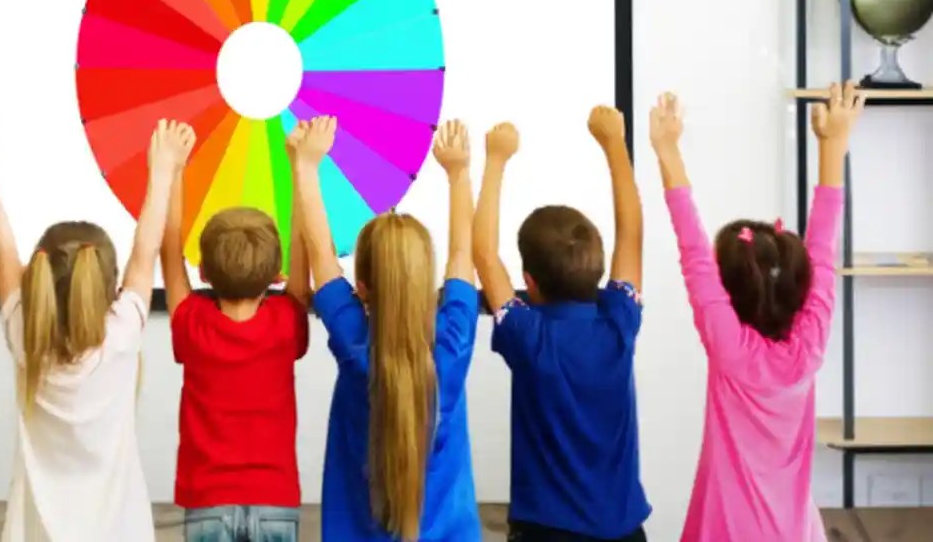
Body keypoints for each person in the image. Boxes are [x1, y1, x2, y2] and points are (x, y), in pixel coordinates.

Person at [0, 105, 195, 542]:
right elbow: (146, 251)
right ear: (107, 283)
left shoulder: (27, 335)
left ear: (39, 273)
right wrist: (162, 172)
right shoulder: (120, 335)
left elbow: (0, 248)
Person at [653, 84, 861, 542]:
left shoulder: (730, 349)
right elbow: (823, 251)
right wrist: (833, 145)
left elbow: (694, 252)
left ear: (726, 294)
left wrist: (666, 149)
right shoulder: (811, 346)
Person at [292, 116, 480, 542]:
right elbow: (463, 251)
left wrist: (306, 166)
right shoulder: (454, 340)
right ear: (426, 278)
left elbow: (321, 254)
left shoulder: (354, 343)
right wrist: (459, 173)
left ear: (361, 288)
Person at [473, 107, 650, 542]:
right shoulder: (618, 323)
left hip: (546, 533)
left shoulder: (530, 336)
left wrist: (495, 159)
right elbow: (633, 233)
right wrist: (615, 145)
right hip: (624, 531)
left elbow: (481, 252)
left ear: (528, 282)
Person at [160, 125, 311, 541]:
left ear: (203, 271)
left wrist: (174, 172)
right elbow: (303, 245)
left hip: (207, 500)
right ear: (277, 275)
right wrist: (300, 165)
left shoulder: (192, 323)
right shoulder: (287, 320)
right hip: (275, 499)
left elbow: (169, 248)